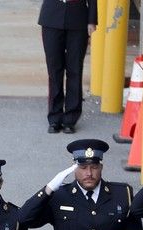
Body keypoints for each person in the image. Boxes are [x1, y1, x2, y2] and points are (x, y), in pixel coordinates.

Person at [37, 0, 97, 134]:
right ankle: (54, 117)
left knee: (75, 69)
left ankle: (70, 118)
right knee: (54, 70)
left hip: (78, 17)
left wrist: (92, 20)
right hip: (51, 16)